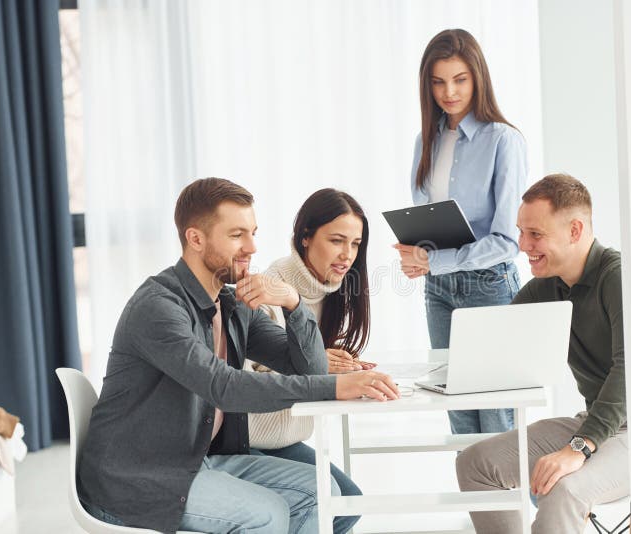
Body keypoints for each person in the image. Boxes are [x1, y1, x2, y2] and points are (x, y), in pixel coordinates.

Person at [76, 178, 399, 534]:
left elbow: (308, 368)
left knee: (322, 494)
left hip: (197, 460)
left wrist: (292, 302)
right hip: (139, 477)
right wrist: (337, 387)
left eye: (253, 233)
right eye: (237, 235)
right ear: (195, 238)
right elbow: (223, 386)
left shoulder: (231, 304)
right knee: (267, 514)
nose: (251, 247)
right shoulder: (159, 307)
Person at [455, 174, 628, 533]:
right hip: (595, 422)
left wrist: (578, 448)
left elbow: (628, 373)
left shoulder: (618, 277)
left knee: (562, 488)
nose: (522, 244)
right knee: (475, 463)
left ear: (575, 230)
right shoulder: (544, 289)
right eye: (520, 232)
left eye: (535, 234)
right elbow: (490, 347)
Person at [395, 28, 527, 435]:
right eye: (438, 81)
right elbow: (426, 216)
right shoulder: (425, 141)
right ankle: (478, 503)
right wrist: (415, 254)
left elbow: (508, 241)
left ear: (478, 78)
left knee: (497, 420)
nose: (448, 92)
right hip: (438, 291)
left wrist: (435, 260)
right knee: (460, 417)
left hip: (489, 287)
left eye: (459, 79)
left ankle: (519, 502)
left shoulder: (503, 140)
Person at [243, 188, 376, 534]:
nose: (347, 254)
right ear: (305, 237)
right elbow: (246, 377)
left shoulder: (332, 291)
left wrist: (335, 364)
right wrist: (316, 365)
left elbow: (313, 362)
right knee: (332, 502)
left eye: (355, 244)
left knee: (347, 503)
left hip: (285, 439)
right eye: (336, 240)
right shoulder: (272, 288)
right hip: (251, 439)